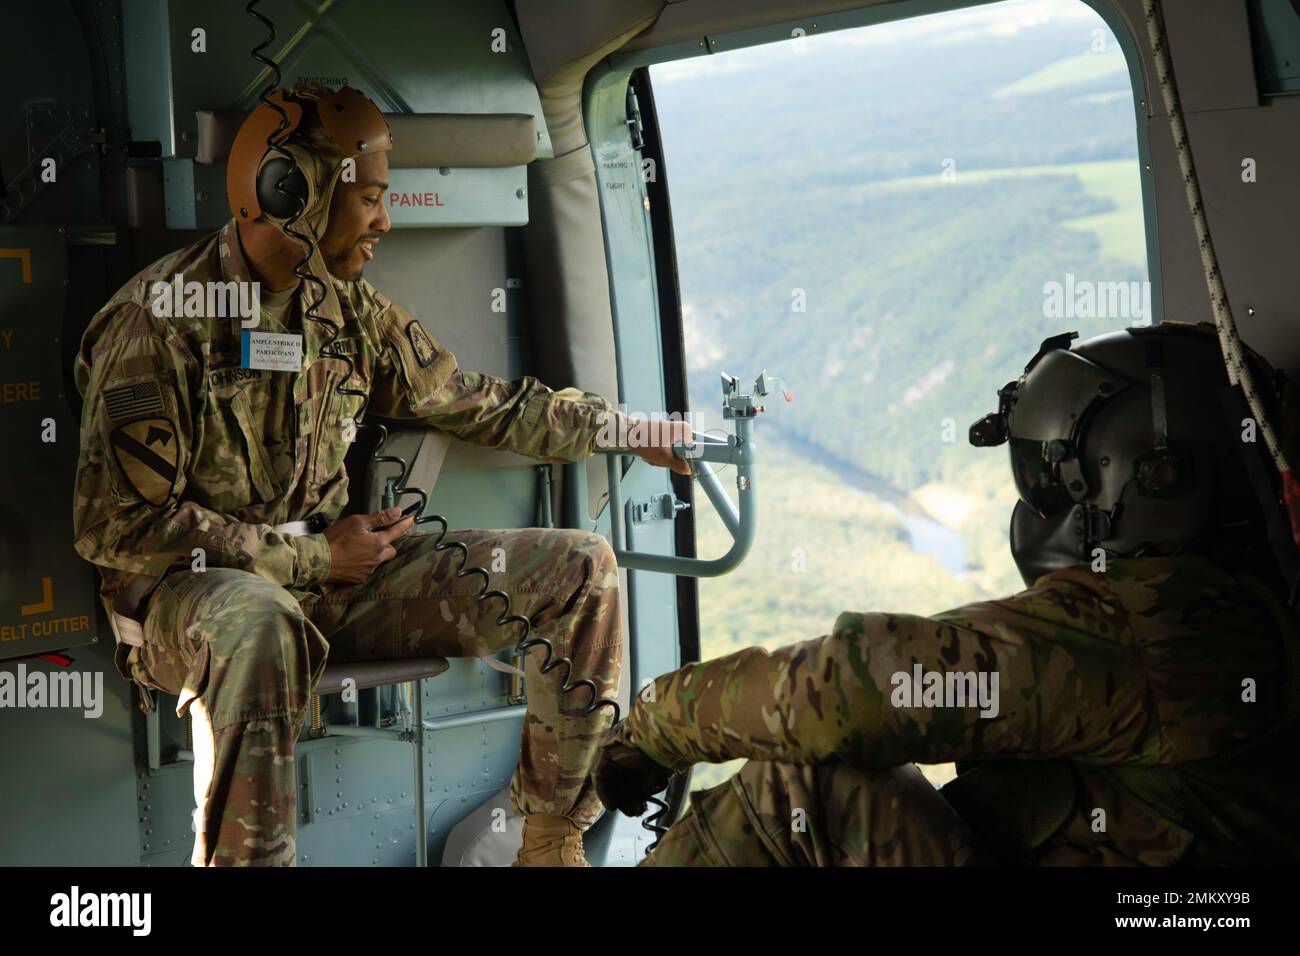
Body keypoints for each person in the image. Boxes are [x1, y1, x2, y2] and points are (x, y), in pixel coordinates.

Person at [72, 83, 689, 867]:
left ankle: (550, 840)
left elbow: (483, 405)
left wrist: (625, 428)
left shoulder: (349, 315)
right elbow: (117, 529)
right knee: (259, 620)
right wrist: (316, 557)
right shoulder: (157, 323)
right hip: (192, 602)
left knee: (582, 570)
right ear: (291, 193)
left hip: (338, 582)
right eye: (367, 199)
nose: (385, 221)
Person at [595, 323, 1300, 866]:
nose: (1039, 507)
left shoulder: (1157, 627)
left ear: (1145, 480)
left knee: (800, 794)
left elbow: (855, 688)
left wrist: (654, 726)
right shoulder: (1237, 609)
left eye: (1056, 483)